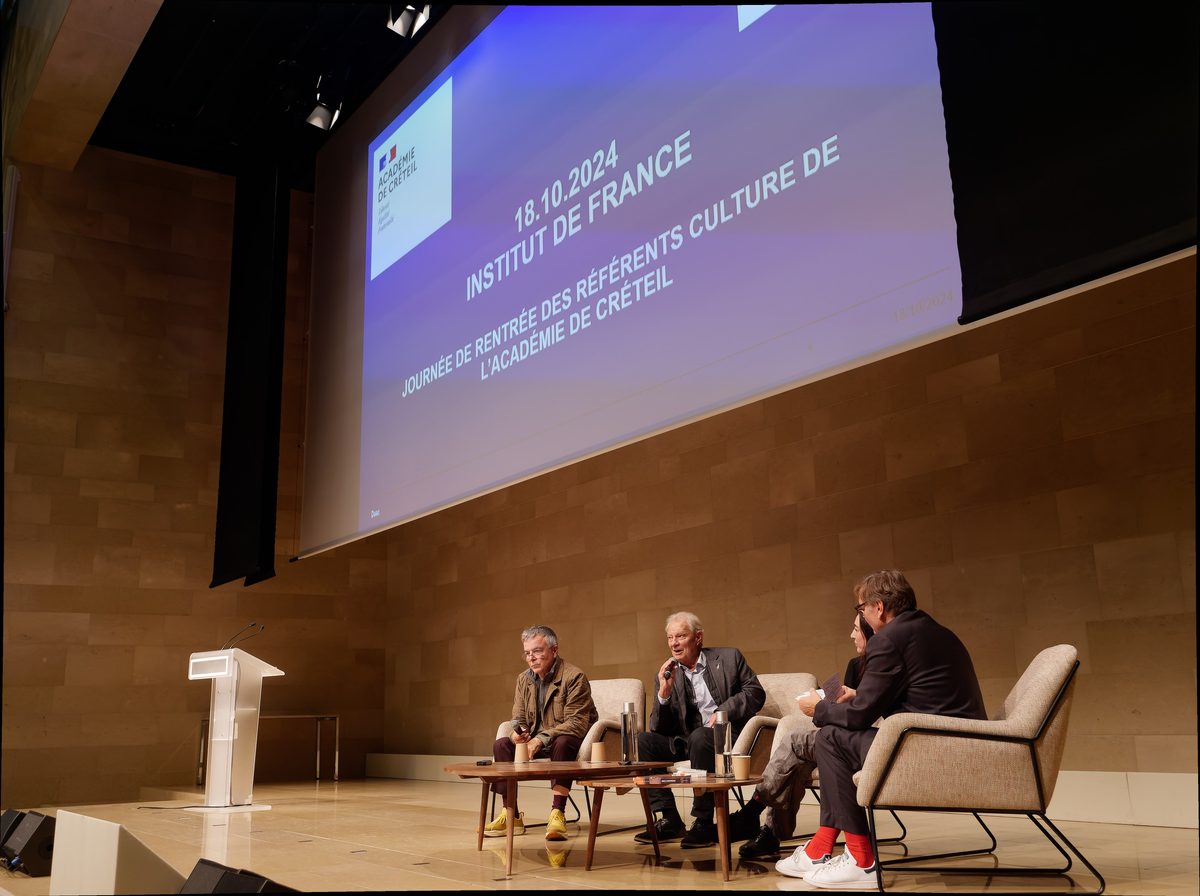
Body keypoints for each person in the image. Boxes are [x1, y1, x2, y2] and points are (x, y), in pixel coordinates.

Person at [779, 570, 986, 889]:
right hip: (960, 744)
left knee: (830, 737)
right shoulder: (937, 632)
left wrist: (818, 708)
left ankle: (861, 860)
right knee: (833, 736)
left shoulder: (889, 639)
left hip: (931, 750)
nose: (861, 616)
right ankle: (821, 847)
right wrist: (858, 696)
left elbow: (859, 718)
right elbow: (918, 695)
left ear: (878, 607)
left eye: (861, 608)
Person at [728, 612, 876, 859]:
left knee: (795, 743)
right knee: (797, 762)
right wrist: (829, 702)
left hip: (863, 741)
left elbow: (864, 713)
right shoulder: (854, 665)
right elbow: (846, 712)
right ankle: (770, 831)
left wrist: (825, 706)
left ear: (869, 633)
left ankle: (755, 812)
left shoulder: (882, 664)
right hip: (841, 735)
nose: (851, 635)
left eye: (856, 630)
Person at [634, 611, 765, 849]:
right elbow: (658, 728)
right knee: (643, 741)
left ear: (698, 637)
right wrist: (664, 694)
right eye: (670, 638)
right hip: (689, 740)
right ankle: (669, 818)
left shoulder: (729, 658)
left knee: (701, 737)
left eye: (680, 636)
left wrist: (722, 712)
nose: (674, 643)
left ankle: (703, 821)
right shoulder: (667, 673)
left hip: (726, 737)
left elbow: (755, 692)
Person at [484, 625, 598, 841]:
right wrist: (518, 733)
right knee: (501, 745)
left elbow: (577, 723)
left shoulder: (574, 676)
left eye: (537, 651)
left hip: (566, 741)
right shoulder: (523, 679)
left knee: (563, 742)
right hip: (534, 742)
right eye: (527, 653)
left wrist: (540, 739)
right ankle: (511, 814)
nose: (531, 658)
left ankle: (558, 812)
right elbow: (519, 717)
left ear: (554, 650)